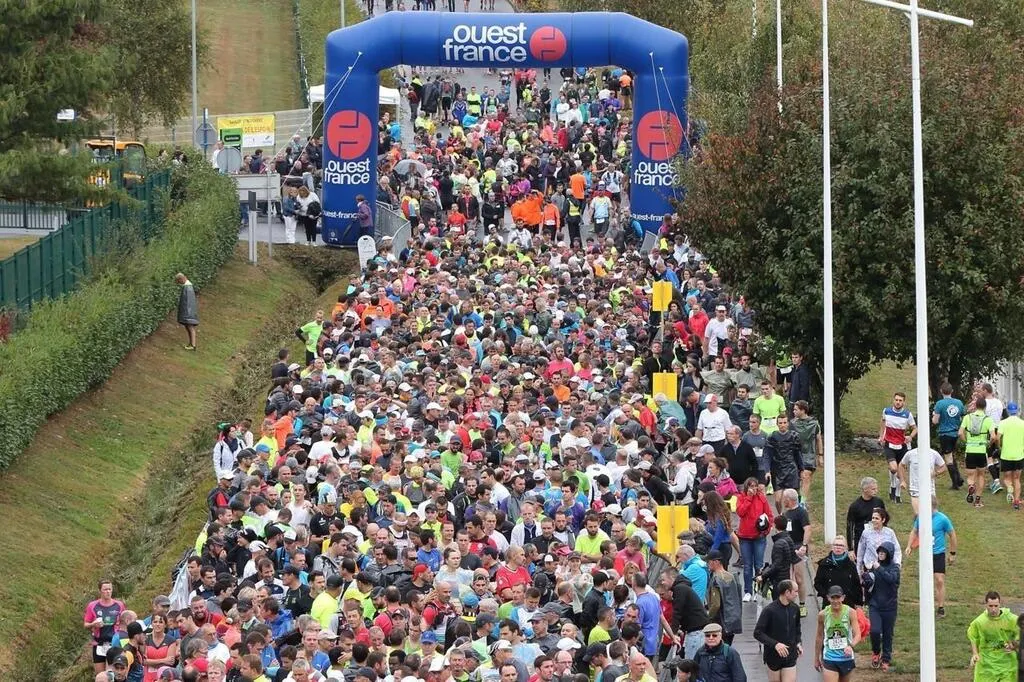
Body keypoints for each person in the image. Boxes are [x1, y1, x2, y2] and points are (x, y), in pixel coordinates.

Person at [905, 497, 957, 618]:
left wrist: (952, 553)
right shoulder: (921, 518)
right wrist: (909, 546)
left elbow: (952, 534)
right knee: (924, 581)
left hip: (938, 553)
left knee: (939, 580)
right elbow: (914, 531)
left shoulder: (942, 518)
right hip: (924, 554)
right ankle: (926, 605)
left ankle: (941, 607)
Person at [753, 579, 802, 682]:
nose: (797, 594)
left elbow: (797, 628)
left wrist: (798, 643)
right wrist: (775, 644)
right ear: (787, 592)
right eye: (795, 591)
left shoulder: (795, 609)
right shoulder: (769, 610)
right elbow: (758, 633)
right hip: (773, 655)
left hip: (790, 654)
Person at [861, 542, 900, 672]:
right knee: (875, 631)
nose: (881, 554)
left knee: (888, 634)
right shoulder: (874, 567)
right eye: (880, 552)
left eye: (883, 552)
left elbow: (891, 579)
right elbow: (869, 584)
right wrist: (865, 578)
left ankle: (886, 659)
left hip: (890, 607)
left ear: (889, 554)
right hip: (875, 605)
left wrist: (879, 569)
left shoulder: (894, 568)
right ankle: (876, 652)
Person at [967, 591, 1019, 682]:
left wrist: (1013, 645)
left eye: (996, 606)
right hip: (987, 663)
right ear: (986, 605)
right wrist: (975, 653)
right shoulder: (980, 621)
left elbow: (1020, 634)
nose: (993, 609)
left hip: (1007, 663)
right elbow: (973, 636)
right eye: (990, 606)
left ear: (1000, 604)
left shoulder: (1011, 619)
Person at [735, 477, 773, 601]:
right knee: (747, 566)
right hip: (745, 537)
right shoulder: (741, 498)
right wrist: (749, 498)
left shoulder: (762, 498)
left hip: (759, 537)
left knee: (759, 565)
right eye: (751, 486)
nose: (754, 488)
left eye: (755, 486)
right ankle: (748, 591)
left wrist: (766, 531)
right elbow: (740, 512)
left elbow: (769, 515)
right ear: (747, 487)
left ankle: (758, 590)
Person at [815, 585, 861, 681]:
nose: (835, 601)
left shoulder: (850, 612)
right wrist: (816, 658)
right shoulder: (823, 614)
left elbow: (858, 635)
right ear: (828, 598)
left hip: (846, 657)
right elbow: (819, 637)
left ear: (843, 597)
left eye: (838, 597)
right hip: (829, 657)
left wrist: (851, 646)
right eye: (833, 598)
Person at [878, 391, 917, 504]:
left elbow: (915, 428)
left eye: (900, 400)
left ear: (904, 402)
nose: (898, 402)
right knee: (894, 468)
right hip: (889, 443)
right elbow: (882, 423)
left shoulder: (907, 414)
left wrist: (910, 436)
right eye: (896, 400)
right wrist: (881, 437)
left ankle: (898, 495)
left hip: (902, 445)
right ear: (893, 400)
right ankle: (892, 486)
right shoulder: (887, 411)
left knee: (901, 470)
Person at [960, 396, 997, 508]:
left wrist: (966, 442)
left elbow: (960, 433)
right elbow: (994, 436)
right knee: (981, 475)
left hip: (970, 449)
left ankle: (971, 485)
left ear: (975, 406)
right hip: (981, 450)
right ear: (985, 407)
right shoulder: (988, 420)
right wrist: (989, 443)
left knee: (971, 475)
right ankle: (977, 501)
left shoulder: (967, 417)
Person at [932, 382, 966, 489]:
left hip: (945, 433)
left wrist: (934, 416)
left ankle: (955, 483)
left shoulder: (940, 404)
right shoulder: (959, 403)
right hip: (955, 433)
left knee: (948, 458)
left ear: (941, 391)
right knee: (951, 455)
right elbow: (962, 417)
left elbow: (935, 421)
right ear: (952, 391)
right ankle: (959, 478)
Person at [813, 536, 862, 610]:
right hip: (829, 604)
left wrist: (859, 603)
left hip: (848, 604)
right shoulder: (824, 564)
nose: (838, 547)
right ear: (832, 547)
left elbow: (856, 585)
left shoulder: (851, 565)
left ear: (845, 548)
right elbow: (817, 583)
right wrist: (827, 596)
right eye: (836, 545)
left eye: (841, 545)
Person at [897, 445, 947, 514]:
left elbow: (943, 467)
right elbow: (901, 465)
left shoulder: (933, 453)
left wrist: (935, 473)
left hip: (930, 490)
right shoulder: (910, 454)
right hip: (915, 490)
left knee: (931, 514)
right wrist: (902, 481)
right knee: (918, 515)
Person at [845, 477, 884, 555]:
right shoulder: (855, 506)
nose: (876, 491)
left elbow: (884, 520)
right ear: (865, 489)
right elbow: (850, 527)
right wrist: (851, 549)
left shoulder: (879, 502)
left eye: (876, 488)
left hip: (877, 538)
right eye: (873, 489)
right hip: (860, 539)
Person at [997, 401, 1024, 509]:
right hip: (1019, 455)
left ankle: (1009, 488)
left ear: (1008, 411)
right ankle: (1016, 502)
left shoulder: (1003, 423)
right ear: (1017, 411)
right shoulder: (1022, 423)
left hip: (1006, 454)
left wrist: (1000, 447)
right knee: (1017, 479)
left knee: (1007, 478)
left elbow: (997, 438)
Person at [175, 272, 199, 351]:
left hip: (188, 313)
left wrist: (187, 314)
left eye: (179, 281)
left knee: (190, 327)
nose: (179, 283)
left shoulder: (187, 287)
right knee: (188, 327)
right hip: (189, 312)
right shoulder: (188, 286)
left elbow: (187, 302)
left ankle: (193, 345)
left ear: (181, 279)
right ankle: (191, 344)